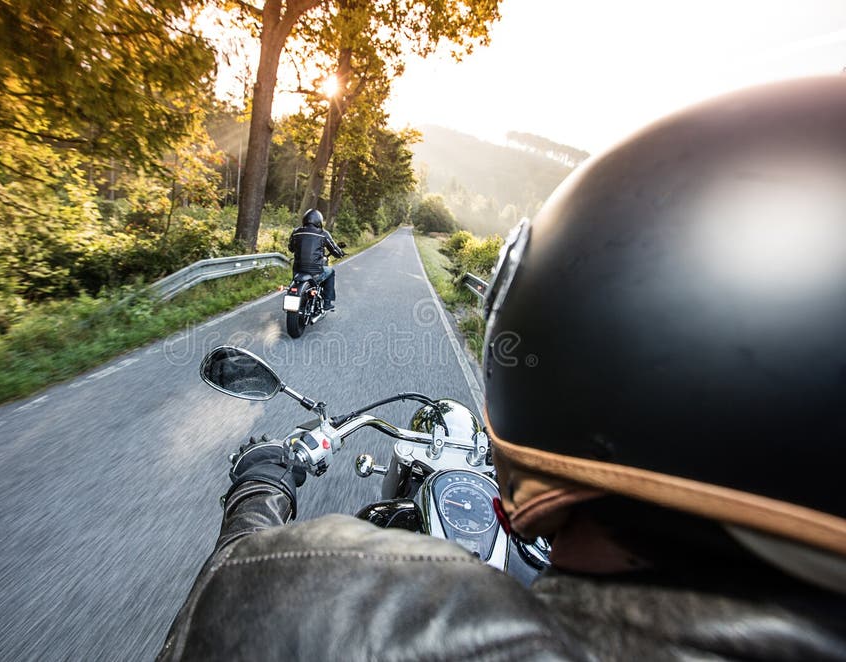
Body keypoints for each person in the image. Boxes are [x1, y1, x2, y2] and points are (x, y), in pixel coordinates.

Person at [157, 77, 846, 661]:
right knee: (327, 281)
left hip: (304, 296)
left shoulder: (328, 611)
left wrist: (260, 481)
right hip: (316, 288)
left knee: (325, 283)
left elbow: (236, 585)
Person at [288, 209, 344, 312]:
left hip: (298, 272)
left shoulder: (296, 232)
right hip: (315, 273)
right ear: (319, 221)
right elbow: (335, 250)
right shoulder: (323, 234)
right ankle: (327, 302)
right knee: (330, 271)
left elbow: (291, 248)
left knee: (293, 284)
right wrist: (341, 254)